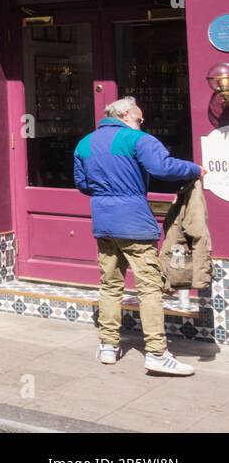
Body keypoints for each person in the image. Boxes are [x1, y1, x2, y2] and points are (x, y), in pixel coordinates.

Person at [74, 96, 205, 375]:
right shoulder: (137, 140)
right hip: (134, 223)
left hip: (104, 224)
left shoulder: (84, 143)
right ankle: (157, 352)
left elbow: (83, 184)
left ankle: (108, 346)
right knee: (149, 287)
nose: (141, 123)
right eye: (139, 118)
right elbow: (163, 168)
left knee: (110, 284)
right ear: (125, 115)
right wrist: (195, 169)